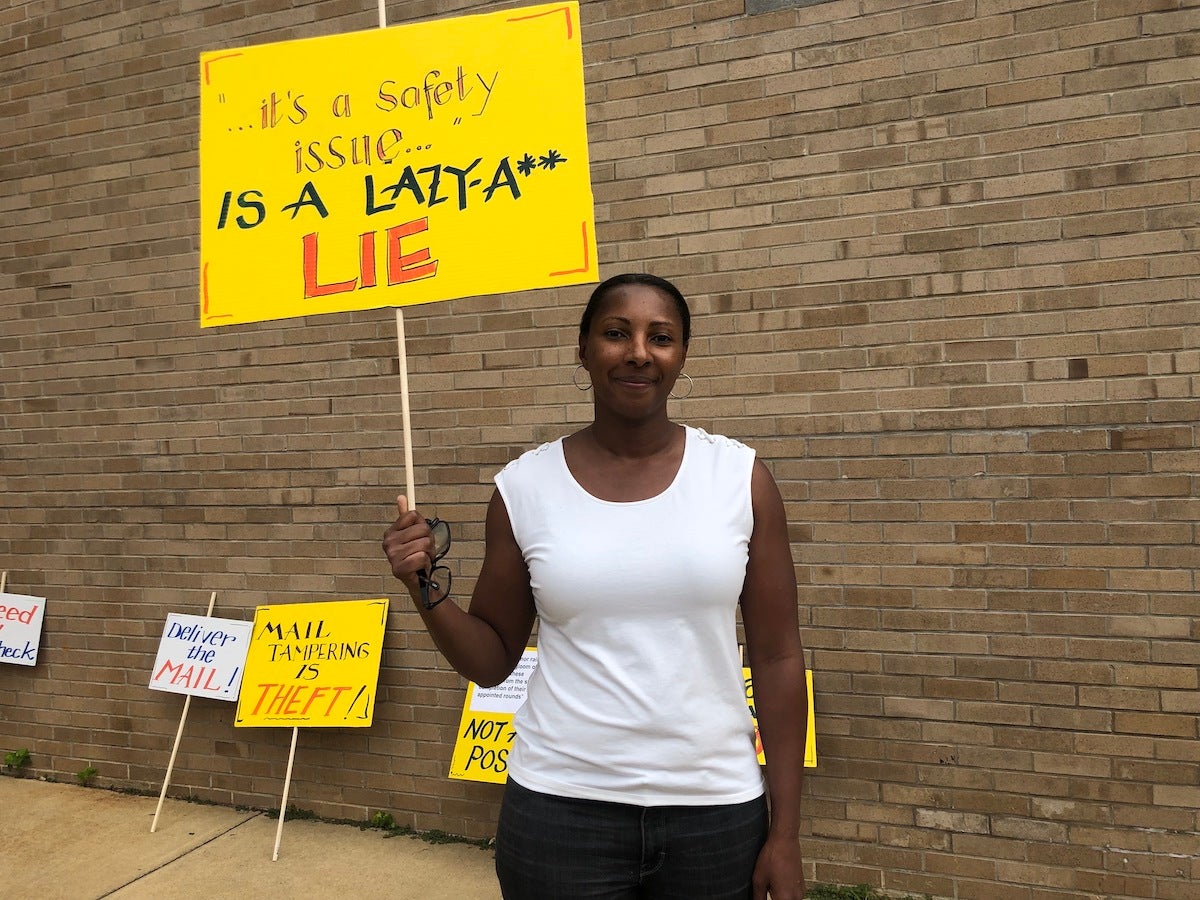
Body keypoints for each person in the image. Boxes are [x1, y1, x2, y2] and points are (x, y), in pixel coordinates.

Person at [383, 273, 807, 900]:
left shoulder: (740, 479)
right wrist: (423, 586)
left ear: (682, 355)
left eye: (660, 337)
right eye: (616, 333)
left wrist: (786, 833)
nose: (638, 352)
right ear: (581, 350)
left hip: (714, 811)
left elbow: (777, 658)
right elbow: (491, 661)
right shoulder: (524, 489)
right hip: (560, 814)